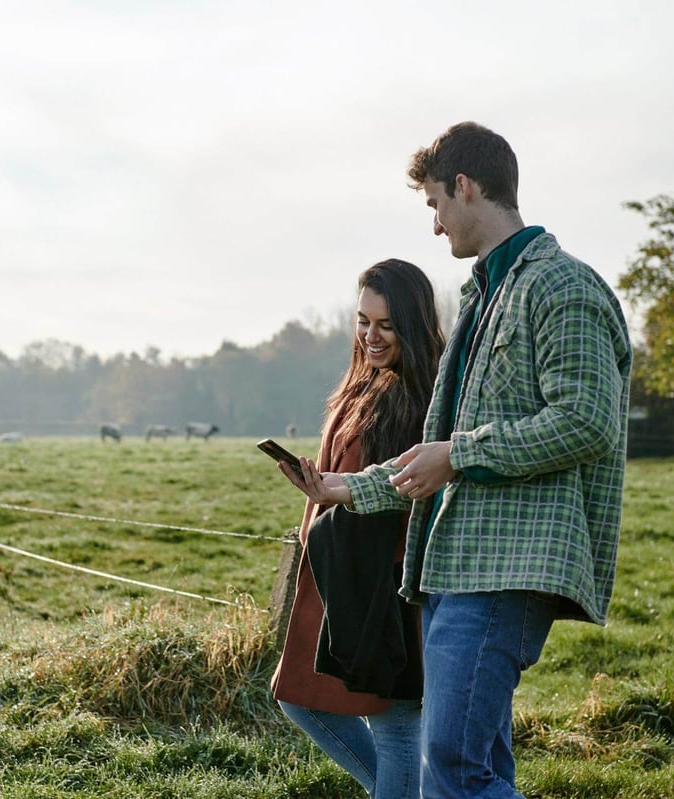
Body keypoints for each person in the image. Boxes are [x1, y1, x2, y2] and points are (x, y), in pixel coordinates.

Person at [284, 122, 633, 799]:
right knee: (473, 769)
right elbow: (432, 458)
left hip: (504, 569)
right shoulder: (482, 297)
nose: (437, 225)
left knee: (453, 774)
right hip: (452, 568)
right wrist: (344, 489)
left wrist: (460, 455)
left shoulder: (560, 287)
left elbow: (585, 421)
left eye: (436, 204)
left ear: (465, 187)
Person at [270, 258, 445, 799]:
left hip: (386, 586)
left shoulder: (421, 399)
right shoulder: (360, 387)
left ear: (412, 326)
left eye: (386, 325)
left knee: (393, 726)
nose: (370, 335)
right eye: (363, 320)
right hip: (335, 575)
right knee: (298, 697)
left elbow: (404, 489)